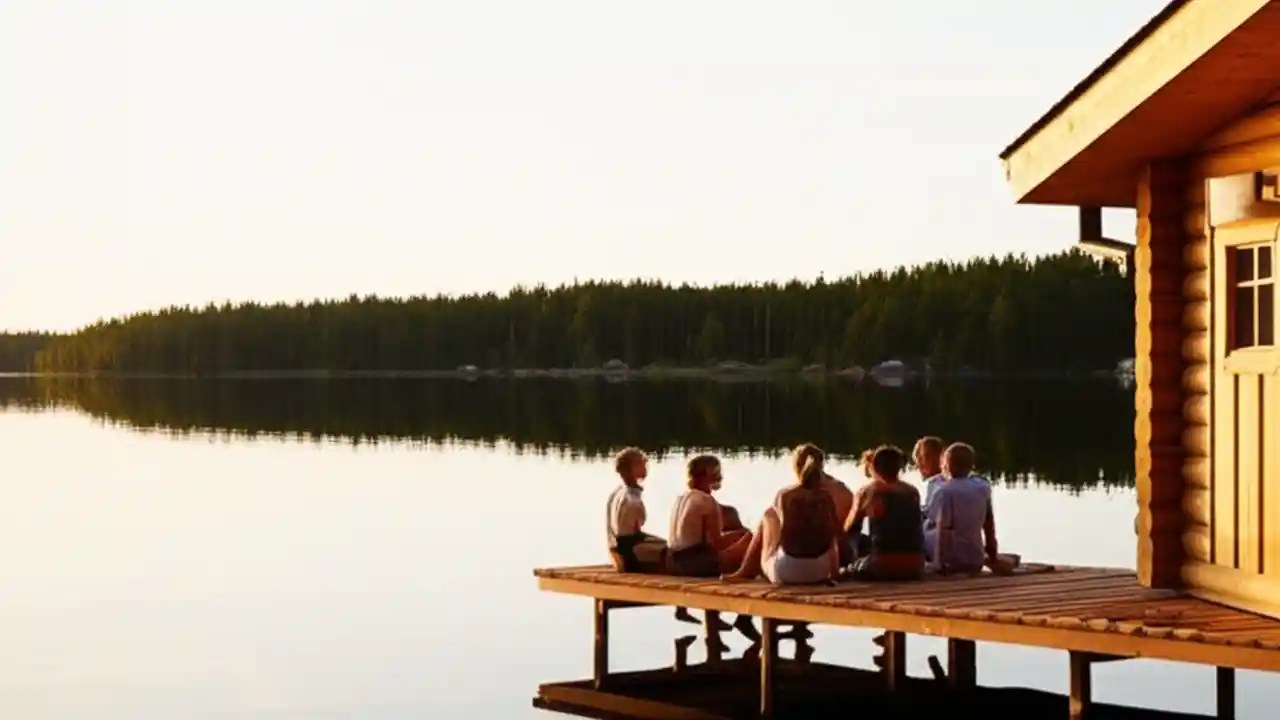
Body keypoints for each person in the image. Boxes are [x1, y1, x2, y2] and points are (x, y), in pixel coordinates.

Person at [723, 444, 841, 585]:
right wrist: (834, 573)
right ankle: (747, 571)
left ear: (796, 467)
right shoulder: (827, 498)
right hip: (819, 571)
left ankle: (744, 571)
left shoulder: (785, 496)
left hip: (787, 571)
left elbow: (784, 536)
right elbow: (834, 537)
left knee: (768, 515)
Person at [843, 445, 925, 581]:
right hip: (915, 566)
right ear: (900, 468)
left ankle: (849, 566)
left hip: (881, 566)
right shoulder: (912, 492)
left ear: (874, 466)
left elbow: (849, 528)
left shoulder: (868, 492)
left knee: (854, 536)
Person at [667, 455, 753, 576]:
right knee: (750, 539)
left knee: (742, 535)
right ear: (709, 473)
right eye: (718, 472)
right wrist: (743, 536)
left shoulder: (681, 498)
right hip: (692, 564)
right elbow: (717, 544)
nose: (721, 477)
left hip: (671, 561)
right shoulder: (707, 501)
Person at [930, 442, 999, 575]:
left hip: (953, 561)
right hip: (976, 559)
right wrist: (993, 555)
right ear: (971, 466)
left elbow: (942, 529)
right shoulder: (982, 487)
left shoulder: (944, 491)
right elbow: (989, 524)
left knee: (924, 532)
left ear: (947, 465)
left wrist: (939, 563)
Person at [606, 447, 668, 572]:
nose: (645, 465)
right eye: (641, 463)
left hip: (616, 550)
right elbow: (629, 536)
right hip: (628, 554)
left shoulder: (617, 492)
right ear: (631, 468)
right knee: (672, 550)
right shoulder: (630, 498)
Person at [913, 436, 946, 560]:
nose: (918, 467)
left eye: (918, 462)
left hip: (937, 541)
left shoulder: (935, 483)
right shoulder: (953, 480)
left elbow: (931, 515)